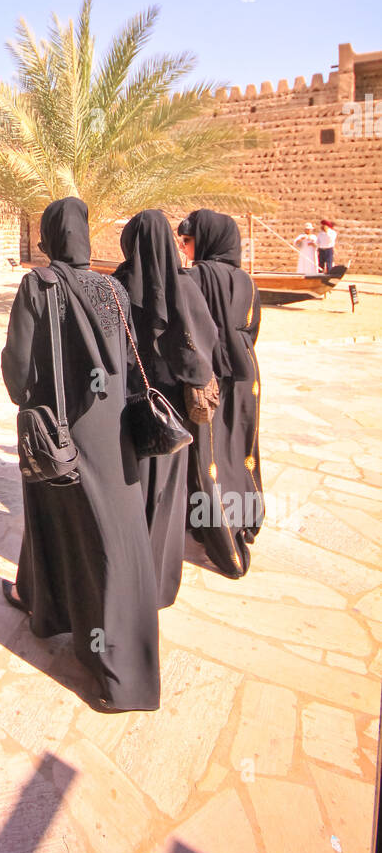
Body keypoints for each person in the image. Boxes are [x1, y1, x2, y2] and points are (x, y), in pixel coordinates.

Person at [0, 197, 160, 713]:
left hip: (59, 431)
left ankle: (120, 677)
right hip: (112, 432)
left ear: (50, 235)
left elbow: (19, 370)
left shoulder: (37, 285)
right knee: (110, 530)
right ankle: (44, 605)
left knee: (80, 528)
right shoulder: (113, 288)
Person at [113, 210, 219, 609]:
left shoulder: (116, 288)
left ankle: (129, 580)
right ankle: (159, 583)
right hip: (170, 412)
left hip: (130, 411)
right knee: (167, 497)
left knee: (133, 492)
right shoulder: (186, 287)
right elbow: (200, 348)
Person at [176, 210, 264, 579]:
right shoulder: (247, 282)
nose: (184, 247)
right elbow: (252, 327)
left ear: (206, 240)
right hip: (247, 378)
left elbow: (187, 331)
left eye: (188, 240)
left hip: (208, 380)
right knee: (241, 450)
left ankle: (224, 543)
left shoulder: (192, 278)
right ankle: (246, 519)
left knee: (208, 458)